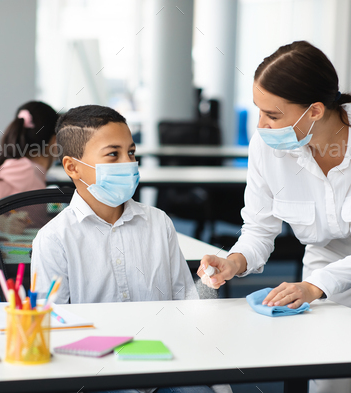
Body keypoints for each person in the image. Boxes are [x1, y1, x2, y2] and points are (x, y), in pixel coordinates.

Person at [198, 41, 351, 393]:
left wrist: (315, 287)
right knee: (326, 375)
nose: (261, 126)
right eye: (258, 111)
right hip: (329, 249)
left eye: (273, 115)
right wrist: (233, 262)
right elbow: (258, 229)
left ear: (314, 110)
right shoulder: (265, 149)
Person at [31, 105, 227, 393]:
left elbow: (185, 301)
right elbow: (51, 328)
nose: (128, 162)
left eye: (131, 153)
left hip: (165, 364)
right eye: (113, 154)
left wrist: (208, 286)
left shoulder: (158, 223)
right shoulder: (54, 238)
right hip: (98, 371)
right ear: (73, 167)